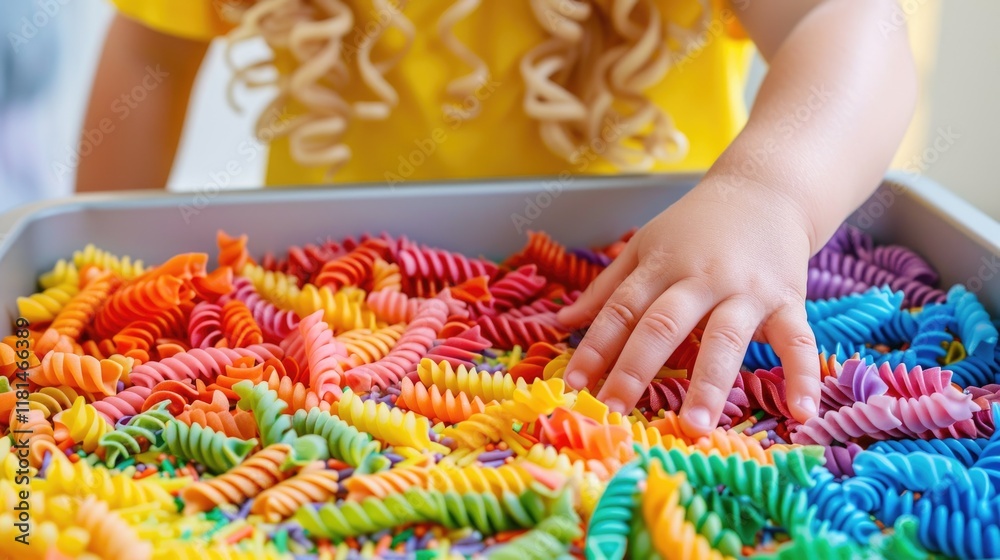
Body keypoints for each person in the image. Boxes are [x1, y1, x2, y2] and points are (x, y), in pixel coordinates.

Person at [76, 0, 917, 436]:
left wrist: (769, 192)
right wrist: (101, 267)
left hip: (645, 305)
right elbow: (152, 48)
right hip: (320, 324)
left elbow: (849, 20)